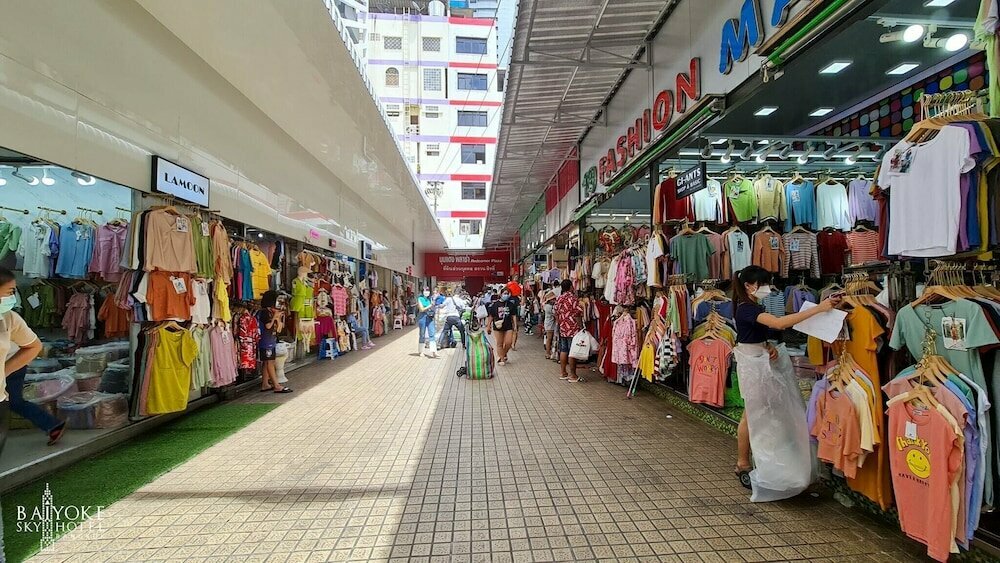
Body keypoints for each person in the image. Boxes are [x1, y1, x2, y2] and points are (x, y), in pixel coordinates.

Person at [733, 265, 840, 488]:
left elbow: (752, 334)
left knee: (758, 413)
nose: (767, 288)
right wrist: (820, 309)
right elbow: (779, 323)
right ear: (749, 286)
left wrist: (768, 345)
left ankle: (752, 461)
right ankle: (742, 463)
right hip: (753, 367)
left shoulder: (754, 306)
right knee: (751, 414)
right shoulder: (746, 308)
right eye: (763, 284)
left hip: (760, 361)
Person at [0, 268, 65, 446]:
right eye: (10, 292)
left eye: (13, 292)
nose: (12, 297)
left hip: (13, 362)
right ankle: (52, 425)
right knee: (15, 402)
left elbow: (34, 346)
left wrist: (4, 371)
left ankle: (52, 425)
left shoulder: (10, 319)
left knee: (14, 401)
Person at [258, 290, 292, 393]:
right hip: (265, 341)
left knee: (267, 362)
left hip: (271, 340)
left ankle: (265, 384)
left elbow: (279, 329)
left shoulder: (272, 312)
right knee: (269, 362)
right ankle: (276, 385)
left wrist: (278, 318)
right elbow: (268, 326)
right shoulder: (264, 312)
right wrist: (274, 317)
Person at [554, 279, 584, 382]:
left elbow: (556, 312)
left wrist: (560, 323)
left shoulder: (559, 298)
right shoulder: (573, 298)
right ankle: (573, 375)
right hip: (572, 328)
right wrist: (581, 327)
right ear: (571, 286)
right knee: (572, 351)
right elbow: (577, 314)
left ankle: (563, 372)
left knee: (563, 350)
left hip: (563, 328)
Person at [486, 289, 516, 365]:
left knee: (508, 342)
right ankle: (501, 359)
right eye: (505, 293)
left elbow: (513, 315)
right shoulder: (495, 305)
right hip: (498, 326)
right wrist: (488, 326)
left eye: (508, 293)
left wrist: (515, 325)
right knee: (500, 343)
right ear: (501, 294)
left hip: (508, 326)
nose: (506, 295)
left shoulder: (511, 304)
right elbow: (491, 316)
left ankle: (503, 353)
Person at [415, 287, 438, 358]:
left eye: (428, 291)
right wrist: (430, 306)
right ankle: (421, 351)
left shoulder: (430, 298)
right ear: (422, 291)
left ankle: (434, 351)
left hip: (430, 317)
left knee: (432, 334)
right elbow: (421, 309)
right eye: (425, 291)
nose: (427, 292)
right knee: (422, 334)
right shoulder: (420, 298)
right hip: (422, 318)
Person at [540, 283, 558, 360]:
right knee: (549, 339)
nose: (554, 300)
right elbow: (554, 315)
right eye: (553, 299)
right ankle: (547, 353)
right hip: (550, 324)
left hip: (549, 323)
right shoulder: (549, 307)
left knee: (550, 339)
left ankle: (550, 353)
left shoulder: (546, 306)